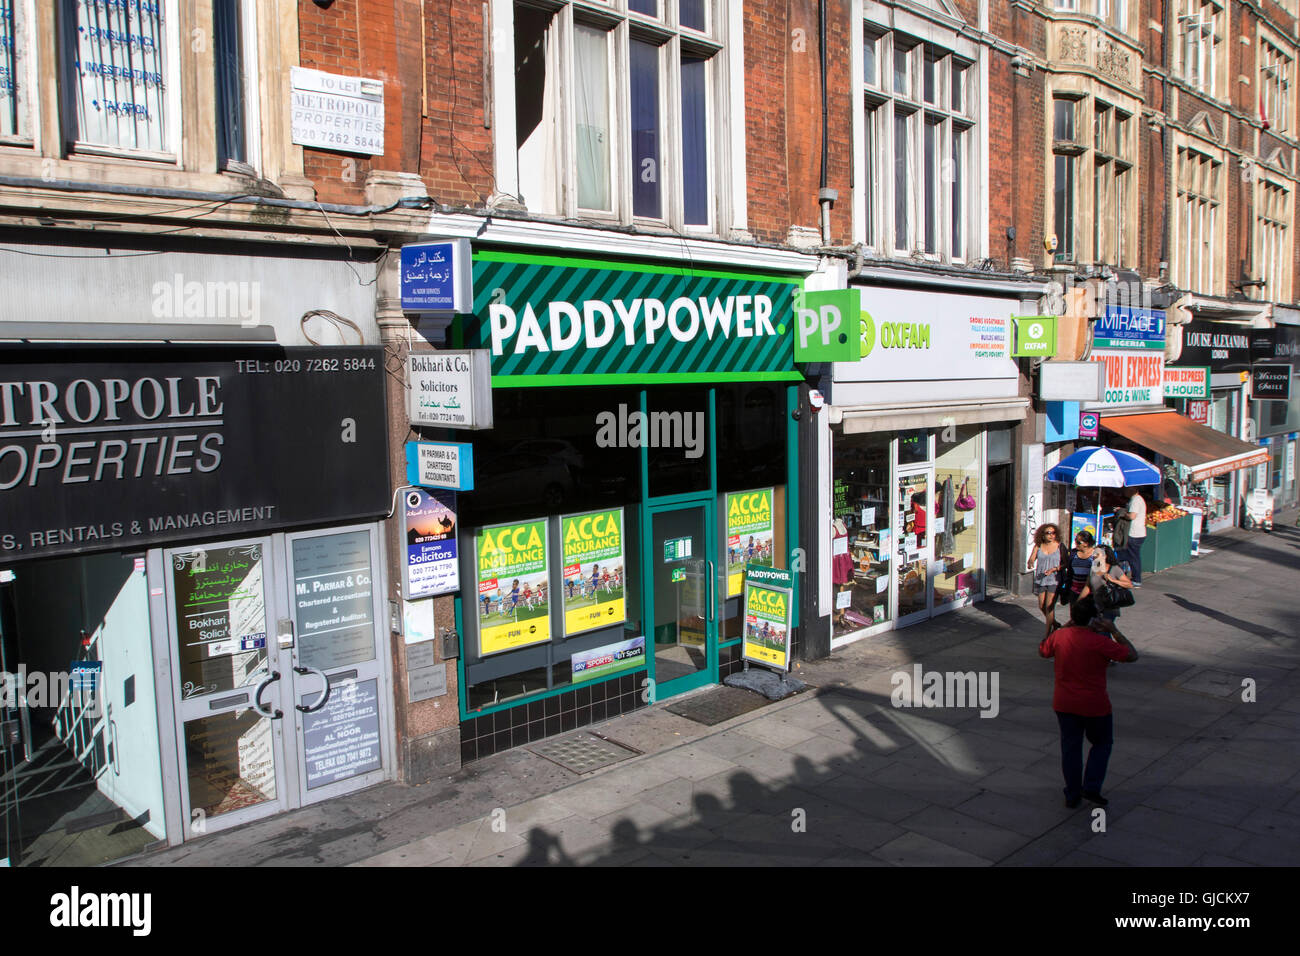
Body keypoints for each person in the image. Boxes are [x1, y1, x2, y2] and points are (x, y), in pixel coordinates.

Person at [1039, 601, 1140, 808]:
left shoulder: (1060, 636)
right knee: (1102, 744)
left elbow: (1043, 651)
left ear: (1073, 616)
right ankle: (1092, 786)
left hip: (1065, 703)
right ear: (1094, 619)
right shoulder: (1099, 642)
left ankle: (1072, 793)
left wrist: (1066, 626)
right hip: (1095, 705)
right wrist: (1114, 630)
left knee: (1070, 749)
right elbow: (1131, 655)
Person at [1027, 523, 1063, 638]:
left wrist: (1055, 569)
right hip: (1041, 579)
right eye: (1048, 533)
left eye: (1053, 533)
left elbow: (1066, 563)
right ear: (1042, 535)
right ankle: (1055, 623)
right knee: (1041, 606)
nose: (1051, 535)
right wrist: (1030, 562)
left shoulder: (1060, 546)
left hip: (1054, 580)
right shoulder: (1038, 545)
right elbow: (1032, 557)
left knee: (1049, 607)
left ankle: (1048, 634)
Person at [1055, 529, 1099, 610]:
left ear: (1086, 543)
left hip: (1091, 594)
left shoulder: (1097, 554)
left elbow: (1099, 575)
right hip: (1074, 592)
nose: (1076, 544)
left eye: (1078, 542)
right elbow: (1070, 573)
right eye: (1075, 540)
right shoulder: (1074, 553)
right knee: (1075, 618)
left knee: (1089, 619)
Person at [1118, 487, 1147, 587]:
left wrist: (1122, 513)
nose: (1124, 491)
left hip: (1134, 533)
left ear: (1132, 489)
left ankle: (1136, 579)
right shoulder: (1137, 499)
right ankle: (1132, 577)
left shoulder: (1136, 500)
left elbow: (1132, 516)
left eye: (1126, 489)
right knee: (1132, 556)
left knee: (1133, 557)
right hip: (1138, 533)